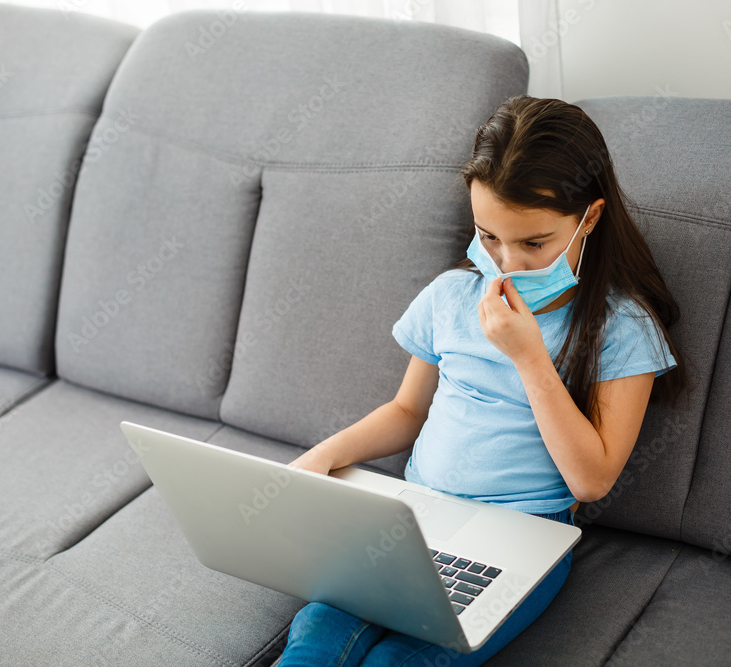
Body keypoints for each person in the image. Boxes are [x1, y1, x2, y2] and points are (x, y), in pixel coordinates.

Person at [274, 94, 688, 667]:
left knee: (402, 661)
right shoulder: (452, 296)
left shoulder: (621, 328)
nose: (506, 263)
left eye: (534, 243)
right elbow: (405, 412)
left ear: (588, 218)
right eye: (489, 236)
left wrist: (530, 358)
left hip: (521, 538)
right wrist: (320, 459)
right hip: (413, 520)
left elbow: (592, 480)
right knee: (317, 632)